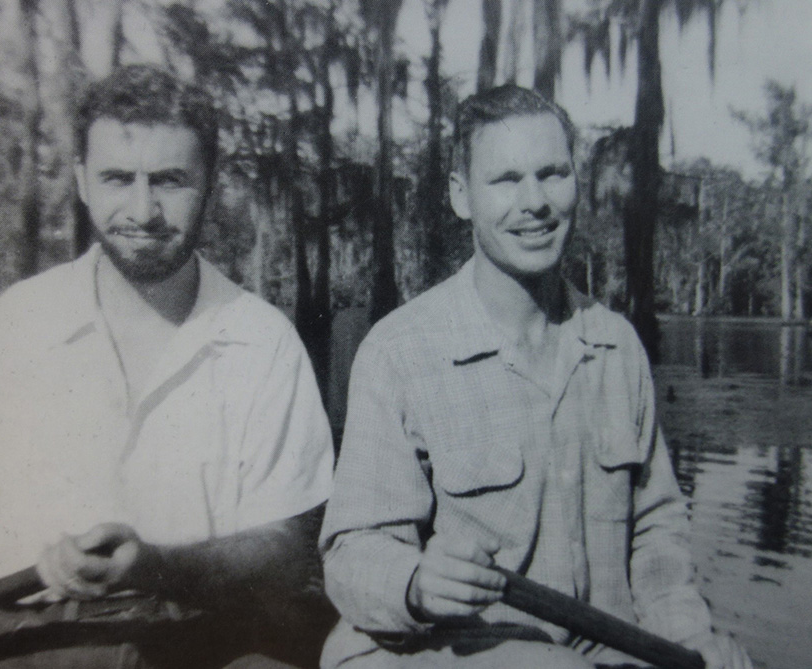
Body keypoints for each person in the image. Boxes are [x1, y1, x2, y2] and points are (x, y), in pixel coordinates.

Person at [319, 85, 753, 669]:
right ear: (461, 197)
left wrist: (689, 637)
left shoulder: (616, 346)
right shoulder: (401, 353)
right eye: (506, 180)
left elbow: (656, 533)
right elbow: (353, 556)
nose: (536, 202)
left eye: (553, 174)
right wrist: (416, 582)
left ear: (577, 182)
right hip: (446, 650)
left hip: (604, 653)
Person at [0, 65, 335, 668]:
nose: (143, 210)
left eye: (170, 180)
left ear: (210, 184)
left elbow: (283, 552)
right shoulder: (20, 318)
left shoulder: (263, 341)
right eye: (118, 178)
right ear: (81, 181)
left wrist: (154, 563)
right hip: (20, 634)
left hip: (194, 637)